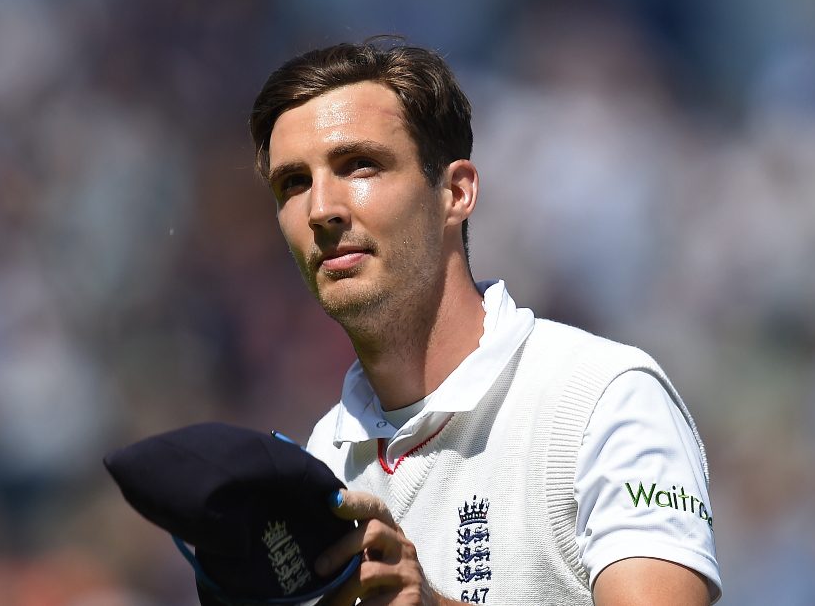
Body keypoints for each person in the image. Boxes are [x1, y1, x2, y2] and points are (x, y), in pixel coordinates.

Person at [248, 39, 721, 606]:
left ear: (456, 192)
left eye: (359, 165)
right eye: (293, 183)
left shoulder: (605, 397)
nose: (321, 208)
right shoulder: (324, 457)